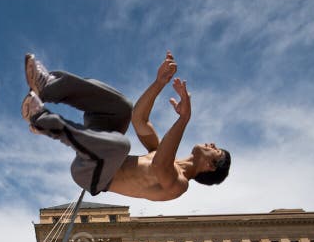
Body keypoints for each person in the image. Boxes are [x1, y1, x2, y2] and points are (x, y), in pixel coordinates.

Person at [21, 51, 230, 200]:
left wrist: (183, 119)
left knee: (121, 145)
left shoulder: (179, 185)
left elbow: (160, 165)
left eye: (217, 150)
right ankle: (47, 86)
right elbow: (139, 118)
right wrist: (159, 82)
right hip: (98, 150)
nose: (212, 144)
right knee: (123, 109)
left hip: (92, 175)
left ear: (210, 166)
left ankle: (42, 120)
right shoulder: (160, 152)